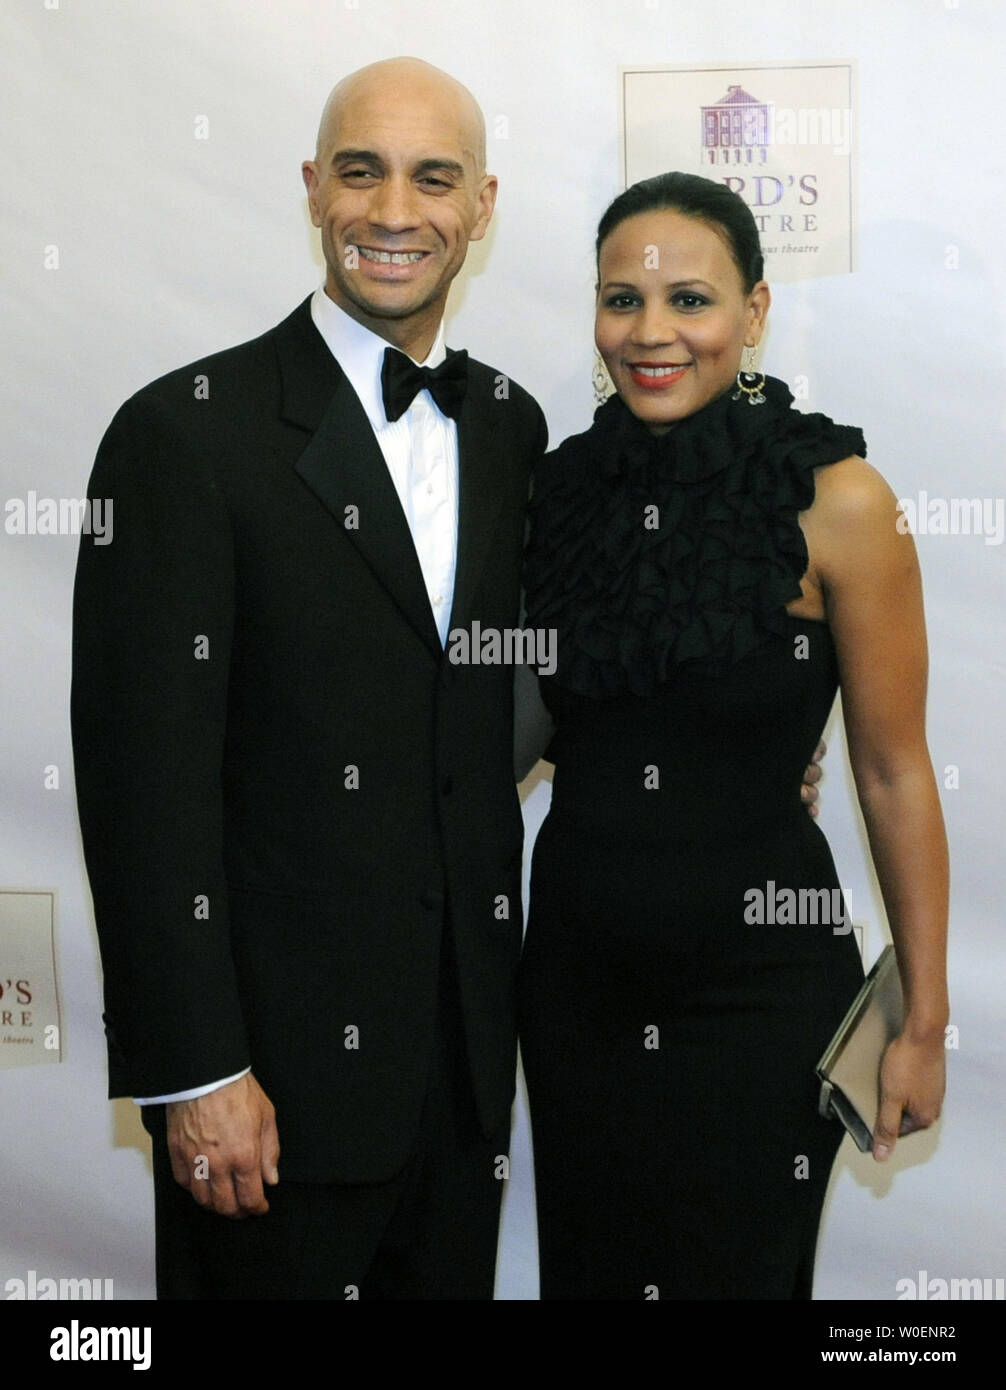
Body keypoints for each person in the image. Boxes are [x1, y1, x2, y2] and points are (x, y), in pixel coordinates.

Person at [70, 56, 547, 1300]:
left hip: (460, 1080)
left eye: (432, 177)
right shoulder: (185, 433)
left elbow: (505, 692)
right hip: (266, 1095)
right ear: (310, 188)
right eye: (361, 170)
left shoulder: (512, 427)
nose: (395, 210)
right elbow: (141, 788)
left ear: (482, 206)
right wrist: (196, 1072)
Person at [517, 172, 949, 1300]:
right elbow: (504, 730)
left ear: (753, 313)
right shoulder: (553, 495)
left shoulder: (838, 500)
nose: (651, 333)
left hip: (758, 994)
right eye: (621, 300)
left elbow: (895, 772)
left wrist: (924, 1022)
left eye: (690, 300)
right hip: (576, 992)